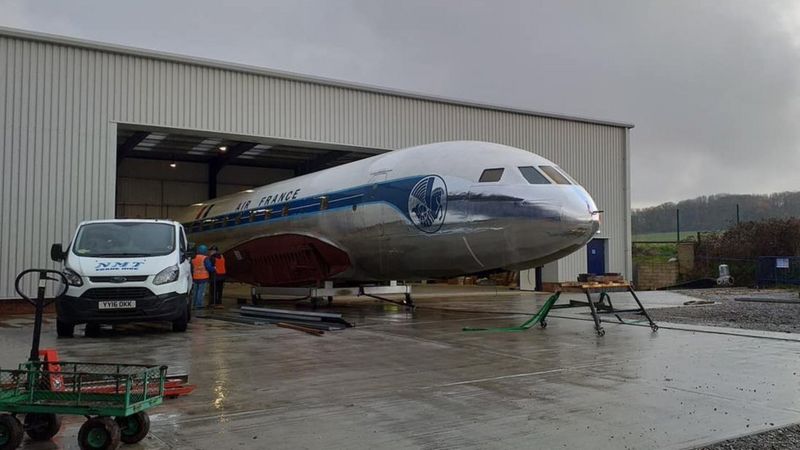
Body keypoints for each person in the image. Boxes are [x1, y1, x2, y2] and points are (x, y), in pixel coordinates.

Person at [191, 244, 214, 310]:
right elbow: (209, 267)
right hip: (203, 278)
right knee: (201, 292)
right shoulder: (205, 258)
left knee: (195, 291)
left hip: (195, 277)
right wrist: (214, 268)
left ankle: (194, 304)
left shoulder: (193, 258)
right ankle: (199, 304)